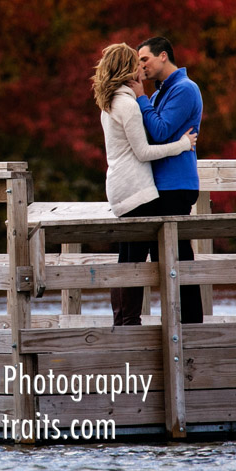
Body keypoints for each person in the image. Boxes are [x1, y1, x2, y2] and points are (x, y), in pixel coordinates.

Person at [91, 43, 198, 326]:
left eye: (144, 60)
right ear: (127, 69)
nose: (142, 67)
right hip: (136, 188)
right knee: (138, 258)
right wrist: (182, 145)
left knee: (128, 255)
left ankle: (123, 321)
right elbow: (144, 151)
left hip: (120, 186)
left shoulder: (110, 101)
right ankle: (131, 323)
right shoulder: (128, 103)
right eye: (137, 62)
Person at [130, 35, 204, 324]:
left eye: (144, 59)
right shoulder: (162, 92)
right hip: (161, 185)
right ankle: (175, 322)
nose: (141, 67)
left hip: (176, 185)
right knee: (166, 256)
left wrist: (140, 98)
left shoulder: (184, 89)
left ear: (163, 56)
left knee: (177, 256)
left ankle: (189, 324)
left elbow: (159, 132)